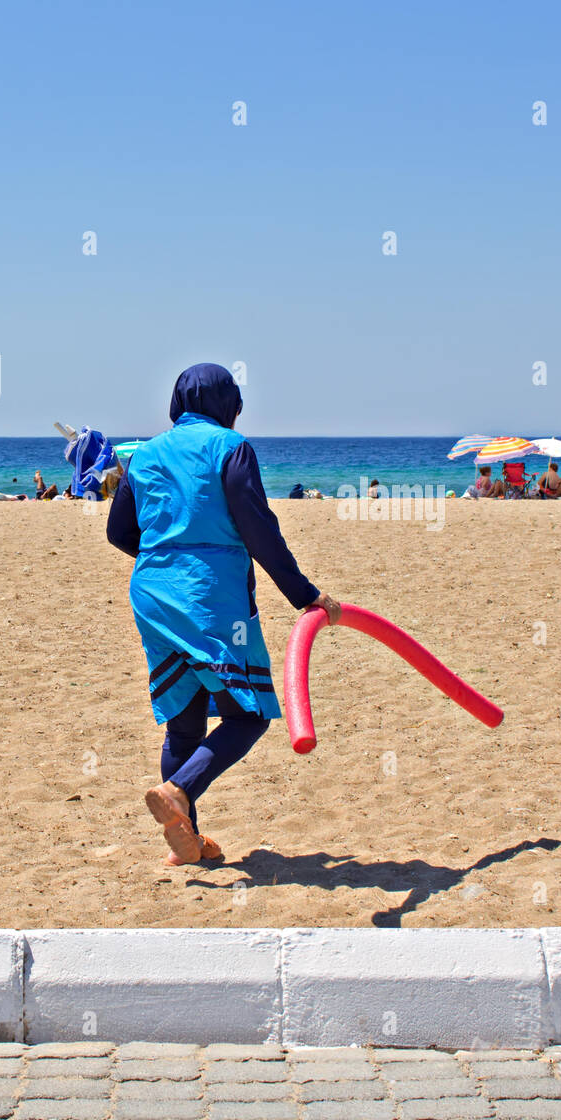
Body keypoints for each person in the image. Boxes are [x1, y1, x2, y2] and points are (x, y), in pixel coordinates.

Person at [107, 363, 341, 866]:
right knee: (250, 712)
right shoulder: (230, 448)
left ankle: (185, 841)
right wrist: (305, 595)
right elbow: (259, 529)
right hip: (209, 596)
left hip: (151, 592)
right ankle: (180, 793)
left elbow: (119, 532)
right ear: (228, 402)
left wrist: (165, 557)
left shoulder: (145, 454)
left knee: (184, 721)